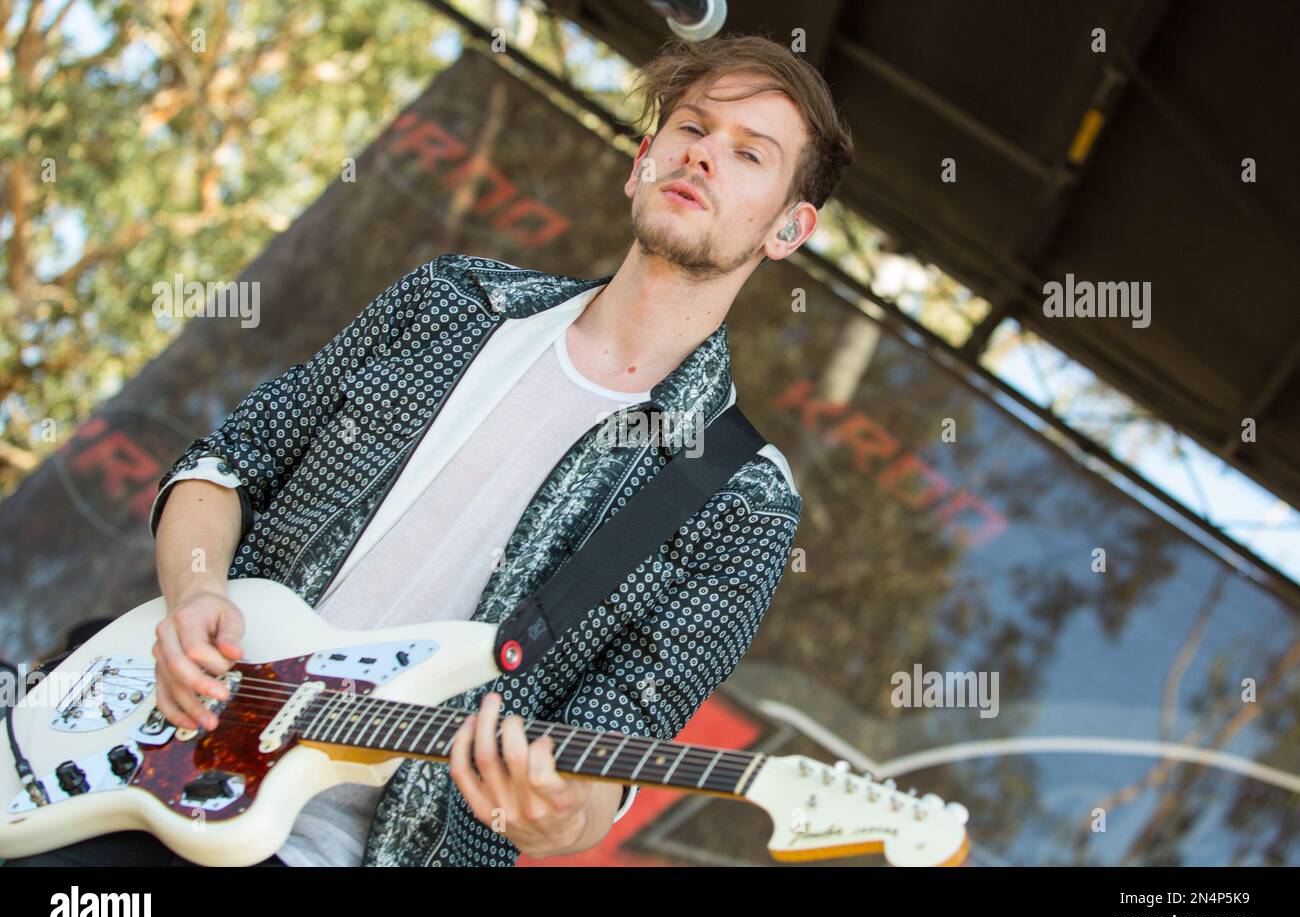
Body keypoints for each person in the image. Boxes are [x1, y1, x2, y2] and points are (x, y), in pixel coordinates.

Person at [8, 33, 852, 867]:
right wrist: (194, 595)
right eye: (692, 129)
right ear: (642, 161)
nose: (703, 157)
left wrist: (558, 819)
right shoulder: (452, 303)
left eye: (749, 155)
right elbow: (230, 462)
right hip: (142, 750)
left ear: (788, 229)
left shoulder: (742, 500)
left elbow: (616, 743)